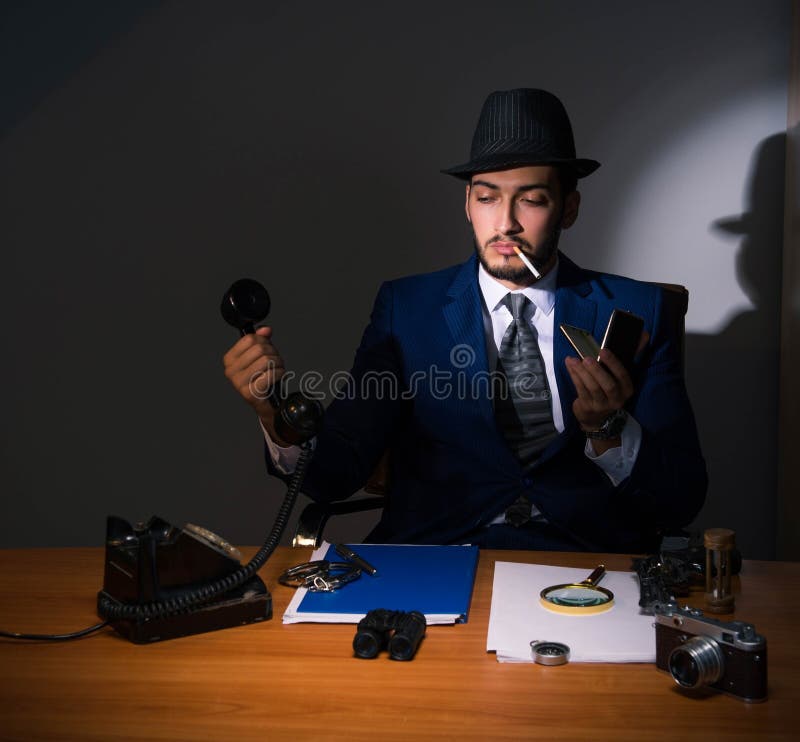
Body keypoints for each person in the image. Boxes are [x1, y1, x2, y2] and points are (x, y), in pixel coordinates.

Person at [223, 88, 707, 552]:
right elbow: (337, 473)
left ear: (569, 208)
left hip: (584, 563)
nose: (506, 224)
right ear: (467, 204)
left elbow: (680, 499)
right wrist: (274, 415)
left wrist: (608, 429)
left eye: (532, 199)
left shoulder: (638, 311)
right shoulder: (407, 308)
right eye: (488, 197)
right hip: (440, 556)